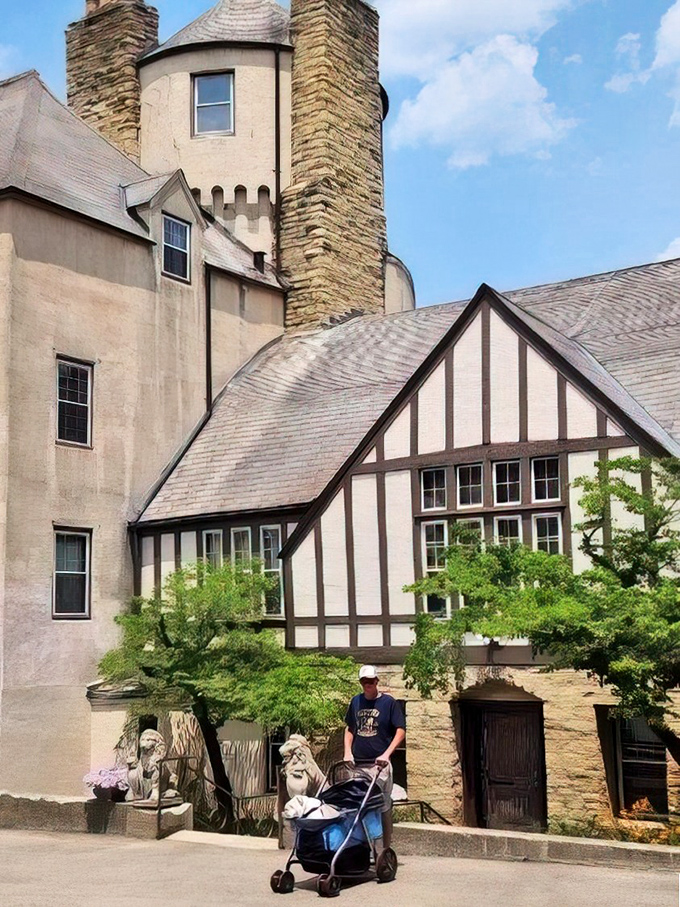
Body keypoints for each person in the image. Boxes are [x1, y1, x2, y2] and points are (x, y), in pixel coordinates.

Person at [343, 664, 406, 848]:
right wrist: (348, 752)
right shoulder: (356, 702)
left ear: (377, 681)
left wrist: (386, 754)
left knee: (379, 804)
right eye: (364, 681)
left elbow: (400, 731)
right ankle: (357, 847)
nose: (368, 684)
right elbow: (350, 729)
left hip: (380, 765)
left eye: (371, 681)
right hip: (358, 764)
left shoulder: (388, 703)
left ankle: (383, 850)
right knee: (355, 803)